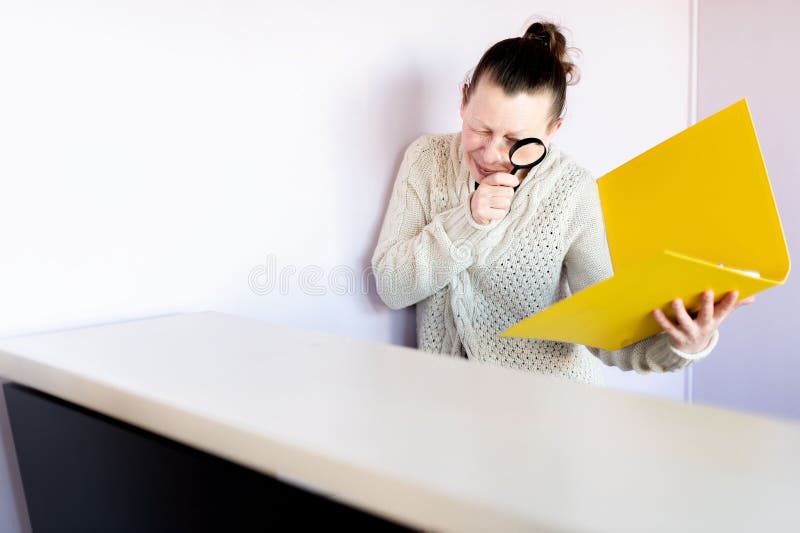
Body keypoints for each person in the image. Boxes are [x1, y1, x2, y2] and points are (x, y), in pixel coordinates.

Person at [370, 19, 753, 385]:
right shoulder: (426, 160)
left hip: (554, 404)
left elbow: (606, 330)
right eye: (480, 129)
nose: (491, 153)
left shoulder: (572, 191)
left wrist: (685, 345)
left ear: (553, 132)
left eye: (515, 140)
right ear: (464, 100)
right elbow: (391, 287)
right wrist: (466, 221)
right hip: (451, 407)